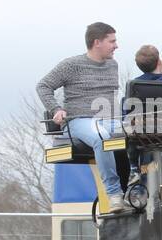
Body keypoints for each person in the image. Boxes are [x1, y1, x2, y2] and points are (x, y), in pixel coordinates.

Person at [36, 21, 128, 211]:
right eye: (112, 41)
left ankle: (135, 184)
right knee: (100, 137)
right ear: (97, 42)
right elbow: (43, 86)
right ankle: (114, 194)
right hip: (79, 121)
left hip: (110, 120)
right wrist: (56, 109)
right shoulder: (72, 65)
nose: (116, 46)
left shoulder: (113, 65)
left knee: (138, 133)